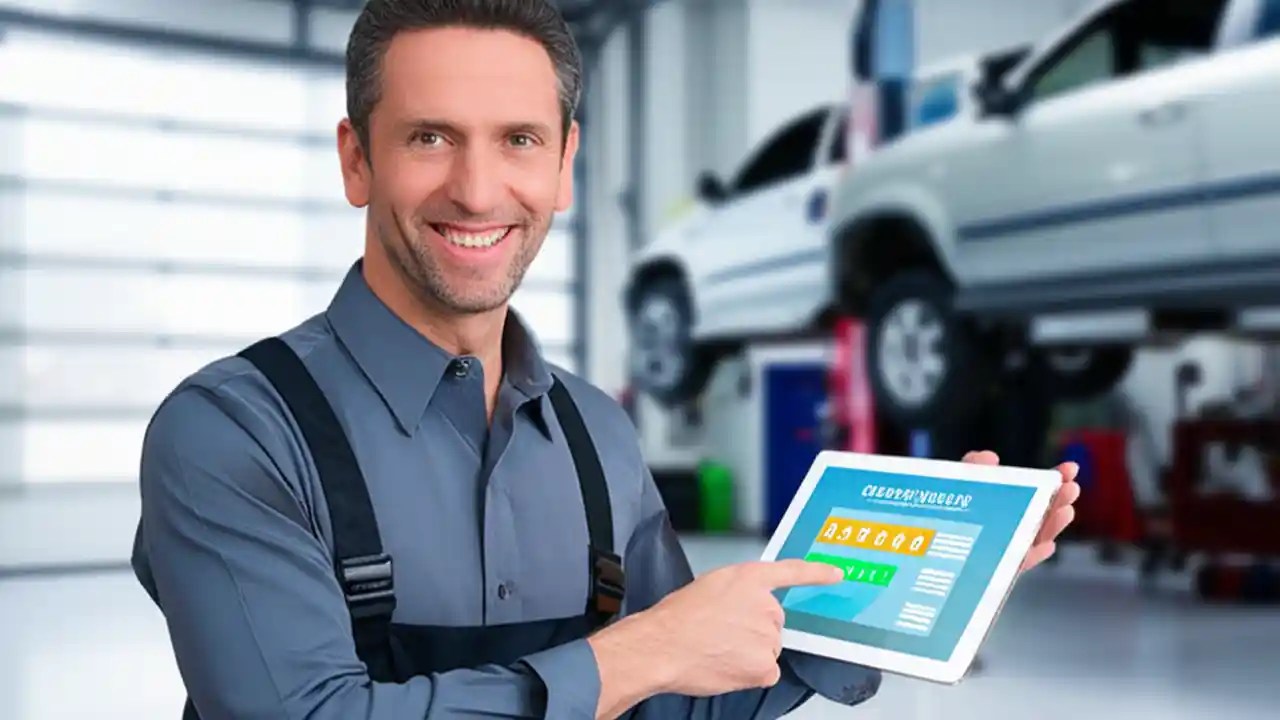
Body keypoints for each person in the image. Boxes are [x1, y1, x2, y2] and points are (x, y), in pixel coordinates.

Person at [131, 1, 1081, 718]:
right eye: (430, 138)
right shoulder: (232, 430)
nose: (476, 189)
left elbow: (676, 697)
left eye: (519, 141)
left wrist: (925, 586)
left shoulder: (595, 433)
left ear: (563, 166)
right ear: (356, 160)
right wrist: (635, 655)